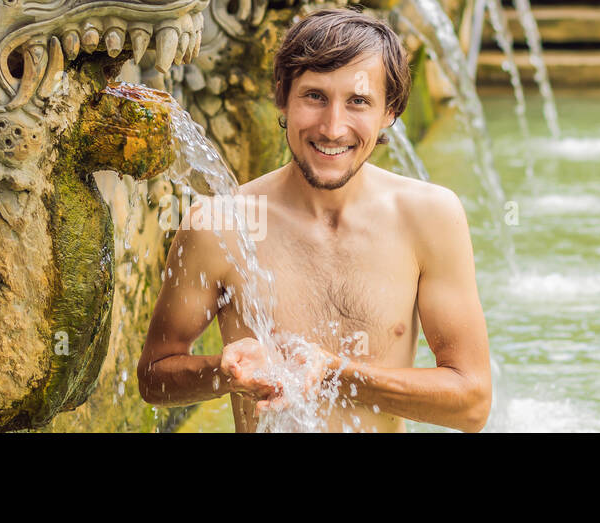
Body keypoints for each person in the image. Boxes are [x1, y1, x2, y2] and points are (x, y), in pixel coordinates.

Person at [136, 7, 491, 432]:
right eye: (315, 96)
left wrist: (335, 373)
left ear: (390, 113)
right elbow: (153, 379)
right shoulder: (218, 226)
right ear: (283, 97)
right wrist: (222, 372)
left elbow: (471, 404)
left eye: (358, 101)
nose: (332, 127)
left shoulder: (430, 217)